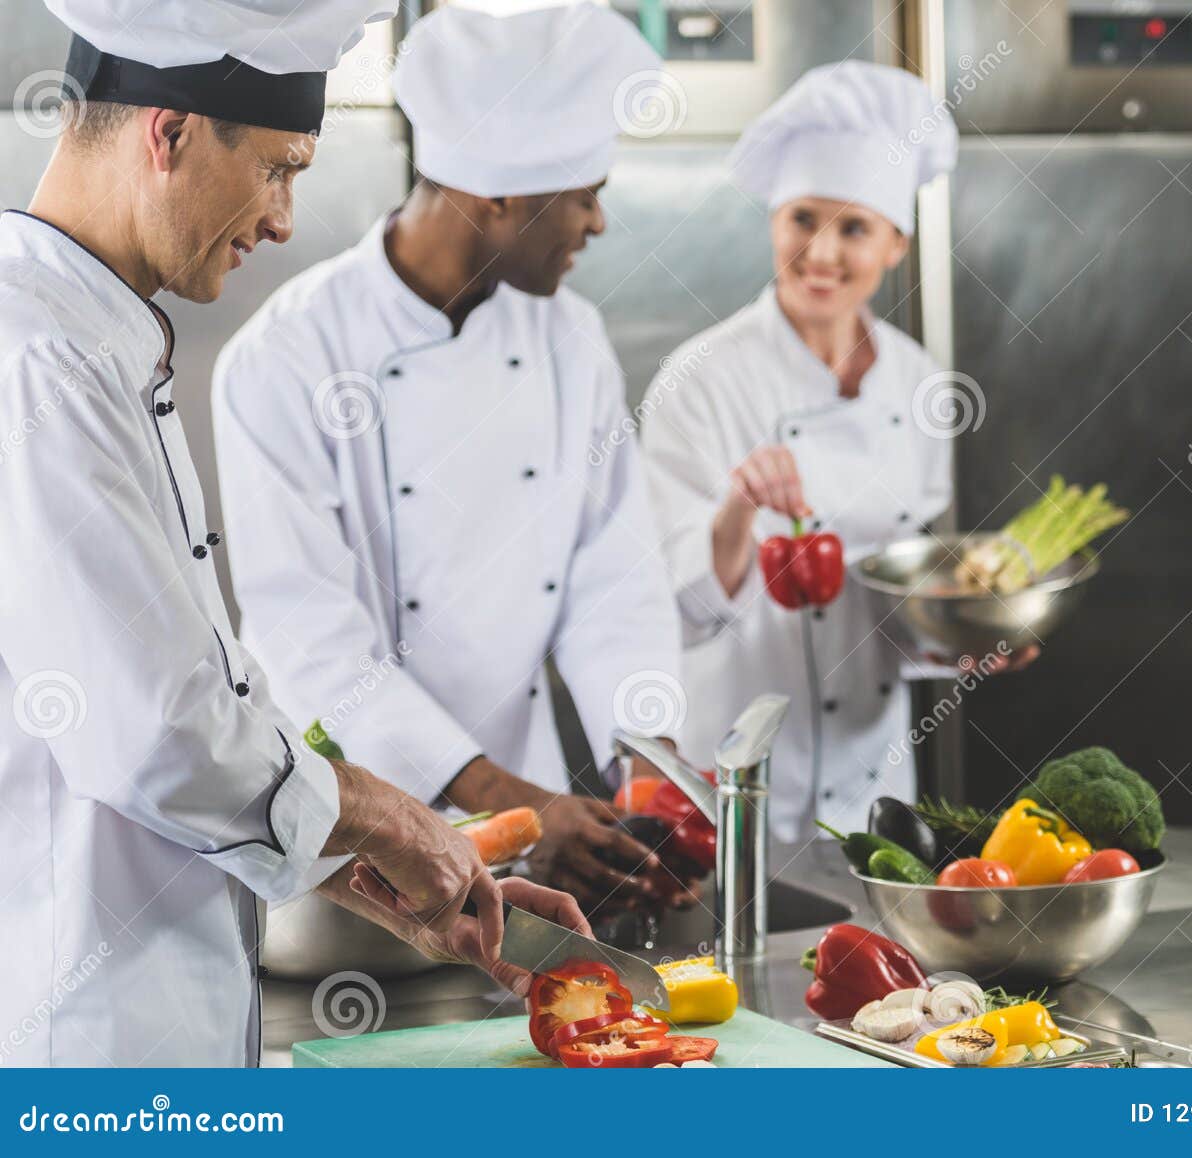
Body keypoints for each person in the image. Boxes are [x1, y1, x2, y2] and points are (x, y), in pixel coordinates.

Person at [0, 0, 588, 1068]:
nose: (281, 219)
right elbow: (160, 738)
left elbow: (195, 717)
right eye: (279, 168)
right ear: (168, 132)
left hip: (156, 1027)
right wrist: (387, 815)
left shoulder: (98, 343)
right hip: (80, 1049)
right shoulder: (35, 360)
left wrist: (368, 879)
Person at [212, 3, 686, 916]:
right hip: (356, 844)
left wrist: (651, 766)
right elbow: (311, 637)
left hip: (544, 843)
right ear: (498, 197)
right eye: (583, 193)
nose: (597, 222)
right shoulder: (288, 357)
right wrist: (510, 800)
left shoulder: (569, 340)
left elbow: (613, 575)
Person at [641, 62, 1035, 842]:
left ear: (896, 244)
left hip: (874, 782)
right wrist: (736, 511)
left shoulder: (917, 382)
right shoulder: (698, 378)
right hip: (731, 777)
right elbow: (672, 607)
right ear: (772, 221)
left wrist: (964, 640)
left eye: (853, 228)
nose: (821, 253)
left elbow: (902, 594)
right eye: (802, 219)